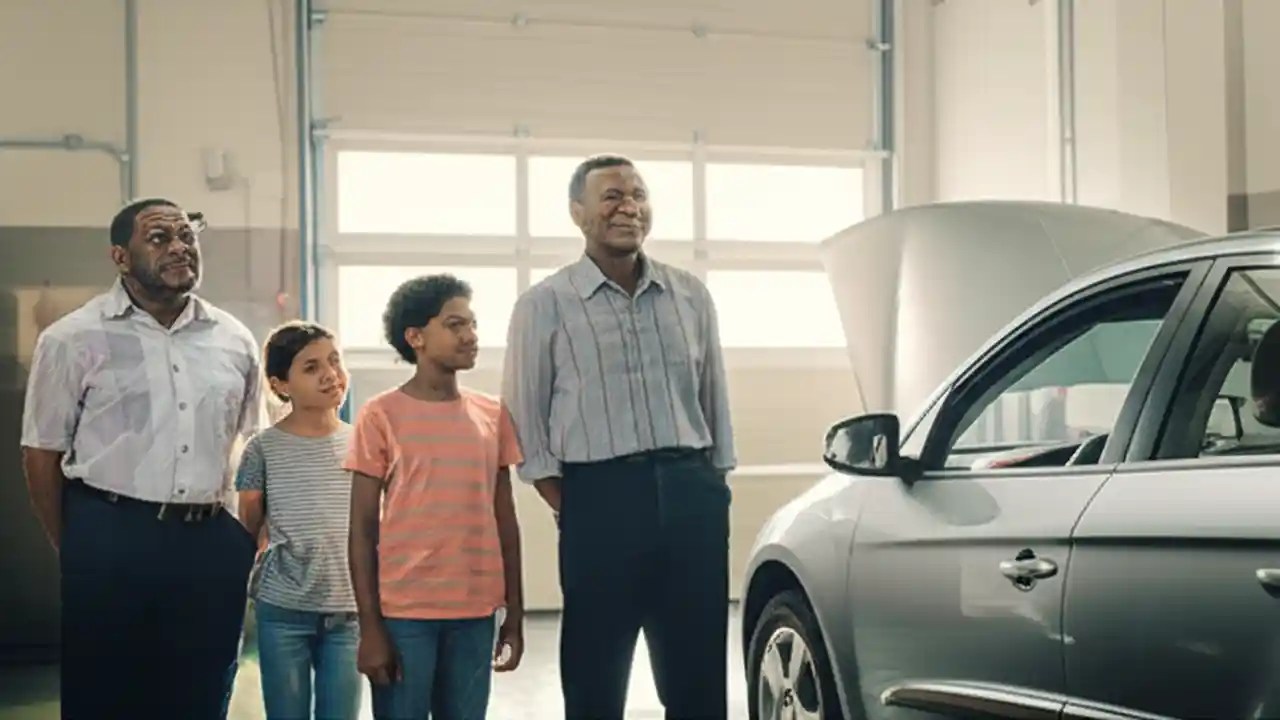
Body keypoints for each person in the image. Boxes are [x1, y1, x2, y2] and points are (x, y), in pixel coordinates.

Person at [502, 154, 737, 719]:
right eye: (610, 195)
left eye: (638, 194)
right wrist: (575, 502)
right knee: (595, 672)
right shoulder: (544, 305)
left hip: (692, 495)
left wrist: (711, 484)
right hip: (599, 498)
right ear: (578, 213)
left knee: (698, 672)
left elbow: (714, 400)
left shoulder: (689, 295)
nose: (628, 205)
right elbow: (524, 423)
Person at [20, 198, 263, 720]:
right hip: (109, 532)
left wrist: (245, 539)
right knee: (105, 693)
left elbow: (251, 443)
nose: (179, 247)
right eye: (158, 238)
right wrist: (77, 543)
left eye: (186, 236)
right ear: (120, 258)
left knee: (201, 690)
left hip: (210, 540)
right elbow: (41, 450)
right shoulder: (72, 337)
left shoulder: (234, 339)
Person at [346, 274, 526, 719]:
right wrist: (370, 626)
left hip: (475, 612)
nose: (471, 336)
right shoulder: (380, 415)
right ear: (416, 337)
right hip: (405, 614)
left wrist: (516, 614)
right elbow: (362, 528)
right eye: (454, 324)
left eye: (473, 324)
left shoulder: (491, 414)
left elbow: (505, 520)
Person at [235, 321, 362, 720]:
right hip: (284, 610)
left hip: (350, 611)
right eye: (311, 367)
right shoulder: (263, 448)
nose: (330, 374)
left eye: (334, 361)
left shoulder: (364, 443)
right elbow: (249, 524)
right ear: (281, 383)